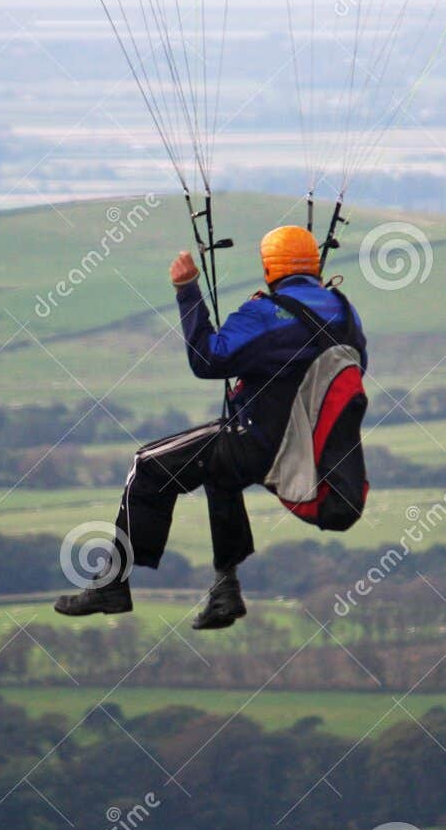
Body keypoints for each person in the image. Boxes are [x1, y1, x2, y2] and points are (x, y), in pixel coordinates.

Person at [54, 224, 367, 630]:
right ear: (315, 266)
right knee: (218, 470)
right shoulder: (346, 313)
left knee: (149, 464)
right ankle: (225, 590)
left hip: (259, 443)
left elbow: (207, 360)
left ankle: (112, 585)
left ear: (269, 269)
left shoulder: (265, 313)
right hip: (310, 450)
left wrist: (186, 289)